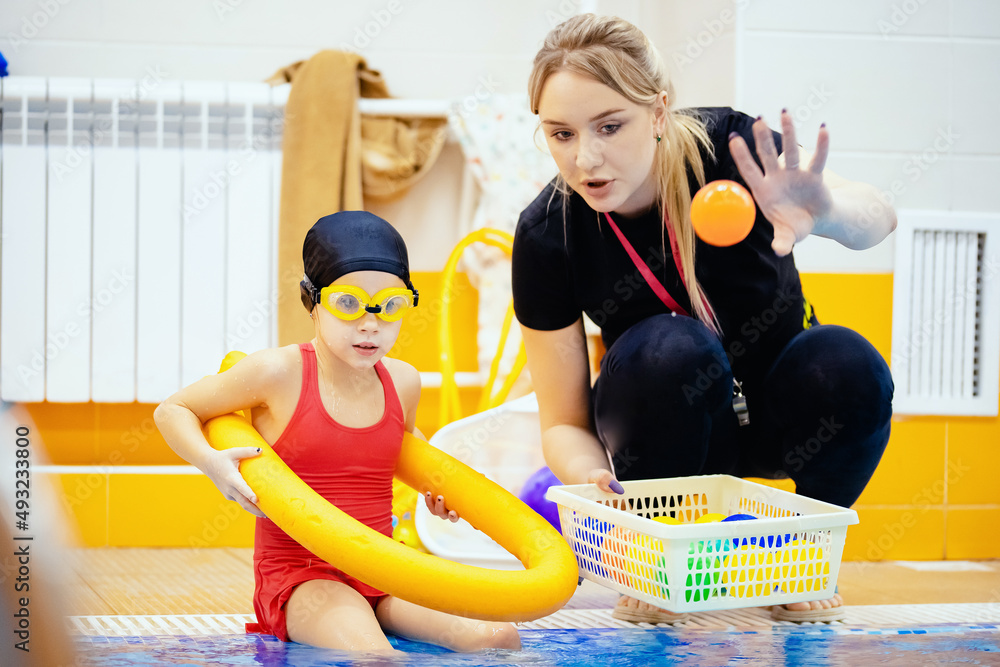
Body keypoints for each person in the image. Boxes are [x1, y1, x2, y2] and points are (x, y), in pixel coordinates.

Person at [512, 14, 895, 624]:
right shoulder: (549, 233)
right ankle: (659, 563)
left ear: (659, 111)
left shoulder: (733, 149)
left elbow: (879, 217)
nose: (586, 158)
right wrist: (598, 486)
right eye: (560, 134)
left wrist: (828, 214)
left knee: (848, 364)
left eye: (610, 126)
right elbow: (562, 423)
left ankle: (800, 561)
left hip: (778, 417)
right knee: (669, 349)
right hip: (663, 443)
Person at [154, 211, 521, 653]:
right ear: (312, 300)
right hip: (301, 577)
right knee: (376, 657)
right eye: (348, 303)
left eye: (390, 305)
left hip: (381, 566)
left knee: (500, 639)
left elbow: (402, 448)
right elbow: (174, 409)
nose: (371, 323)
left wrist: (437, 490)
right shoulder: (278, 373)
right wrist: (212, 463)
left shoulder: (403, 382)